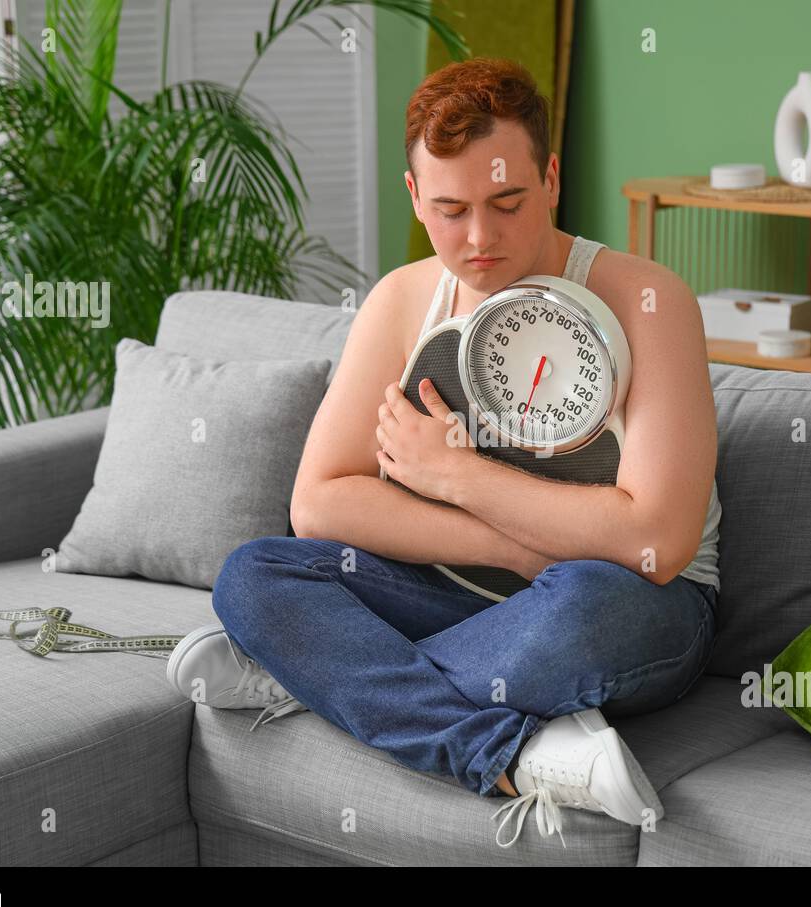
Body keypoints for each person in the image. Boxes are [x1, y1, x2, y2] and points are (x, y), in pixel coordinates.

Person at [166, 57, 722, 850]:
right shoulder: (402, 299)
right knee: (256, 575)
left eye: (507, 202)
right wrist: (513, 546)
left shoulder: (645, 298)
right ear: (413, 198)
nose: (481, 238)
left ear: (553, 178)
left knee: (578, 607)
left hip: (632, 606)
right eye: (450, 209)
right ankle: (501, 750)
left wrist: (452, 474)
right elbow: (319, 504)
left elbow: (655, 543)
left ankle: (315, 676)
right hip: (456, 591)